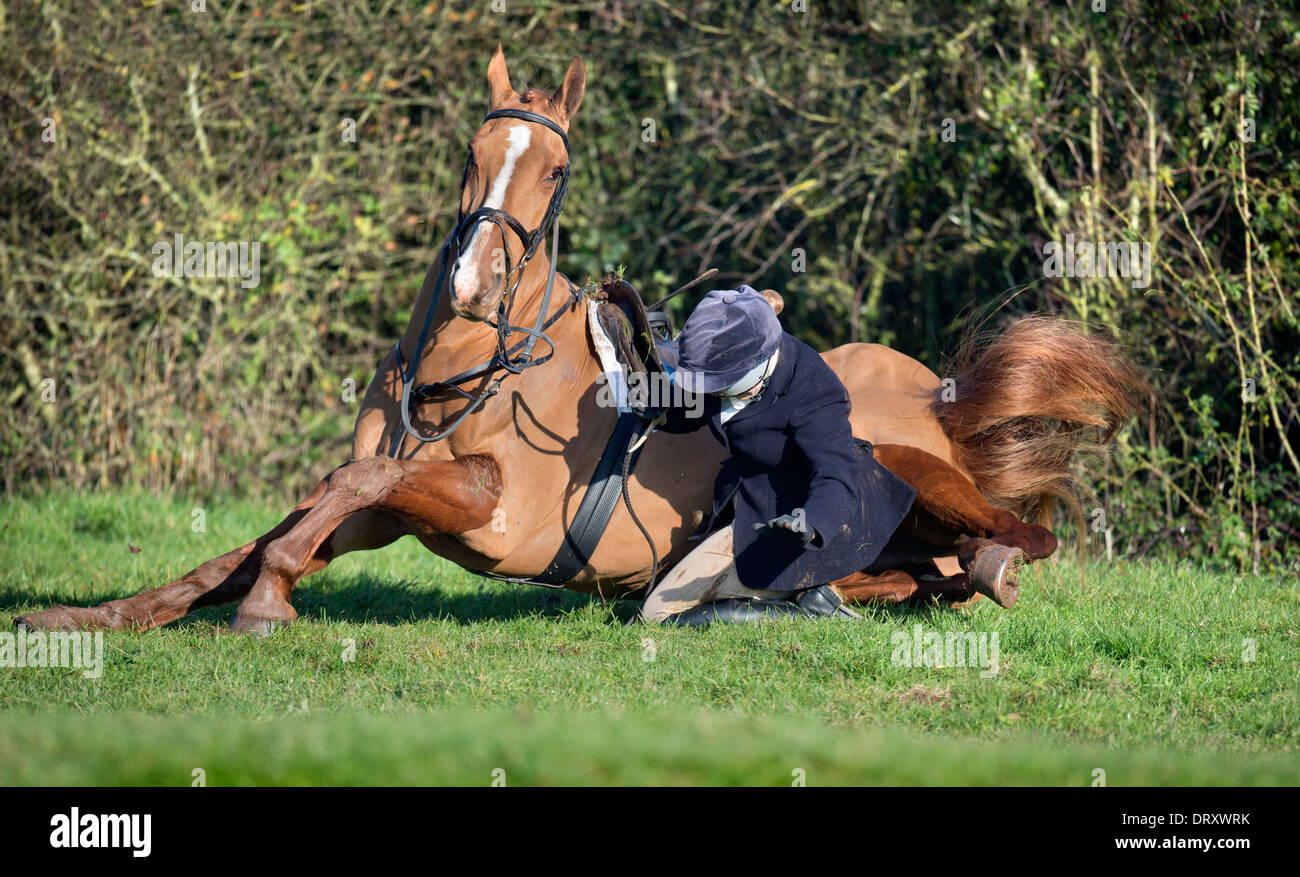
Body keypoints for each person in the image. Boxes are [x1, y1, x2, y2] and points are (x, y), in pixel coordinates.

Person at [643, 286, 918, 625]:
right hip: (752, 505)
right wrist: (636, 391)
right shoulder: (731, 357)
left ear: (756, 367)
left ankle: (806, 612)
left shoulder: (814, 390)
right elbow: (691, 407)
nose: (712, 391)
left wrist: (810, 523)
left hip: (801, 518)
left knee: (659, 614)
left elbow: (837, 472)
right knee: (656, 610)